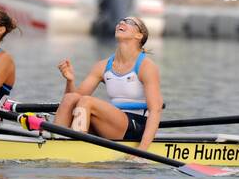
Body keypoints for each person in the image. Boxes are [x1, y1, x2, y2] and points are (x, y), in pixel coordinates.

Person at [54, 16, 164, 150]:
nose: (122, 22)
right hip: (112, 122)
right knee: (69, 98)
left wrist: (142, 149)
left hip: (137, 125)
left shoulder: (146, 67)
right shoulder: (102, 66)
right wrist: (70, 80)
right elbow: (72, 103)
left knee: (87, 101)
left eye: (129, 22)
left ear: (139, 35)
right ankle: (55, 142)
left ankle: (74, 150)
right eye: (121, 20)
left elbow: (156, 110)